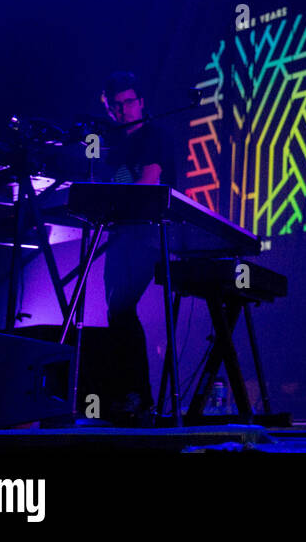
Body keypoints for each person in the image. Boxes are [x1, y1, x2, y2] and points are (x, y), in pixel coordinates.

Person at [96, 70, 178, 424]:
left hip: (148, 235)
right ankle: (126, 395)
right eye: (115, 105)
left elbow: (148, 183)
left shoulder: (154, 135)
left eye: (128, 102)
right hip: (120, 237)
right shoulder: (111, 145)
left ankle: (138, 397)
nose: (122, 110)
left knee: (122, 308)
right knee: (116, 314)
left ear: (141, 103)